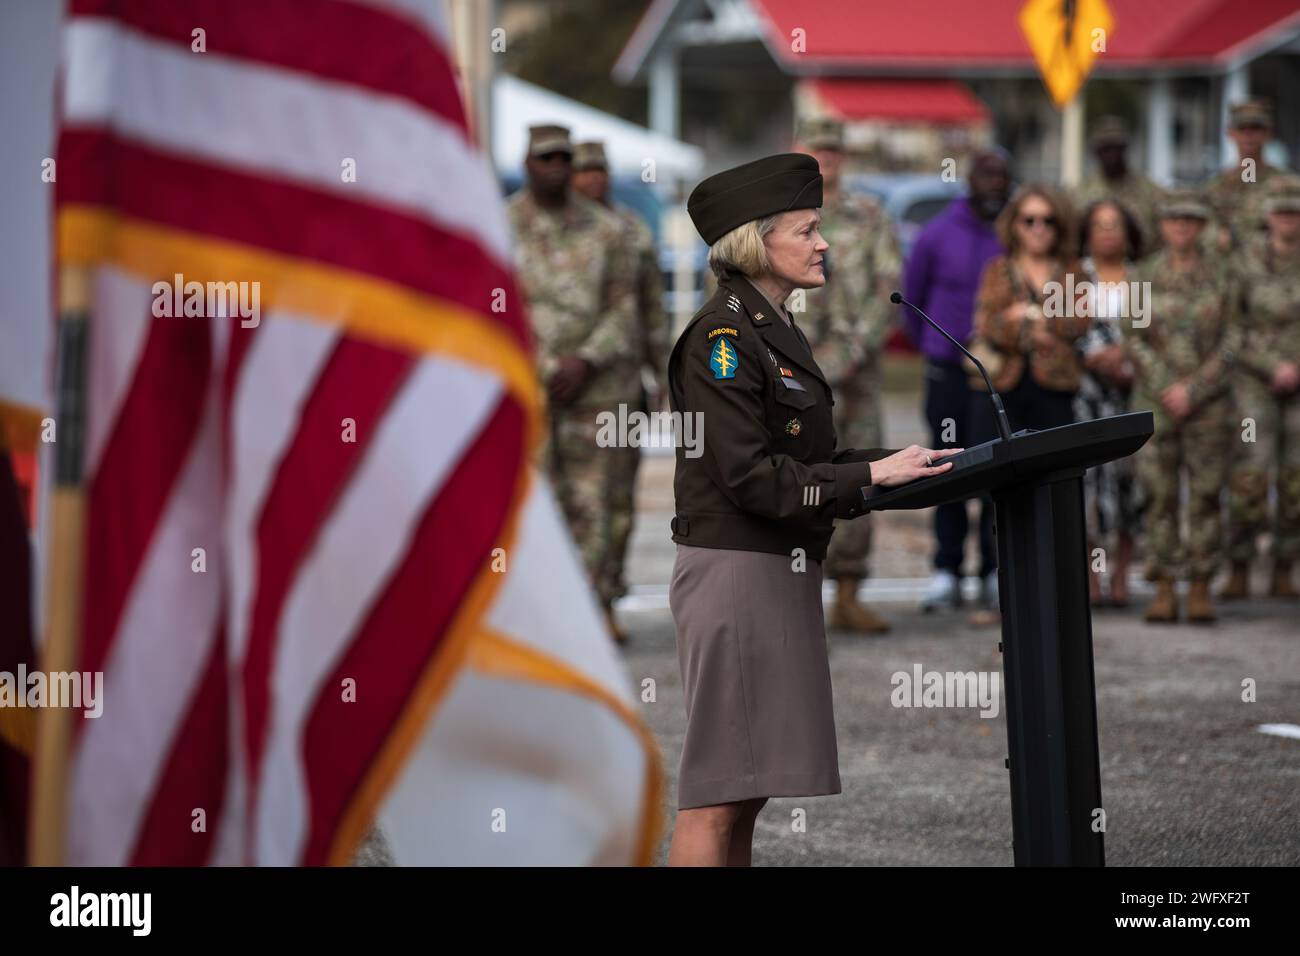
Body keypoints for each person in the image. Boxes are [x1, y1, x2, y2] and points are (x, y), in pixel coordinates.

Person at [666, 153, 961, 866]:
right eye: (807, 229)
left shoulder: (775, 329)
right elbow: (748, 477)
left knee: (749, 787)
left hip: (773, 567)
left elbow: (798, 454)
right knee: (717, 793)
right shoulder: (724, 340)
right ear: (754, 242)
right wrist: (866, 475)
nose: (823, 243)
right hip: (738, 571)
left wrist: (886, 471)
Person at [505, 125, 638, 641]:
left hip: (597, 390)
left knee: (598, 505)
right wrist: (543, 367)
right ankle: (533, 617)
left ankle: (598, 608)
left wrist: (586, 359)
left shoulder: (609, 232)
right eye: (546, 159)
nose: (556, 168)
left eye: (565, 158)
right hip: (527, 390)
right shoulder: (501, 226)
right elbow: (492, 305)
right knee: (530, 505)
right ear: (527, 163)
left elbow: (626, 307)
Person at [792, 117, 903, 634]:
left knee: (862, 472)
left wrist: (854, 348)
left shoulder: (869, 215)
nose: (827, 157)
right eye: (818, 148)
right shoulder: (778, 214)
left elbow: (889, 287)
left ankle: (850, 592)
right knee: (797, 477)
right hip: (792, 370)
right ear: (798, 149)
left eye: (835, 150)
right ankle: (798, 596)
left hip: (857, 373)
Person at [968, 185, 1088, 625]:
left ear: (1060, 226)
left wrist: (1025, 318)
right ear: (1014, 225)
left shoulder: (1074, 271)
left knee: (1055, 485)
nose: (1038, 229)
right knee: (997, 484)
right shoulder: (998, 269)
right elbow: (987, 324)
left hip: (1054, 390)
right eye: (1029, 220)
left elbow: (1077, 322)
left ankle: (1055, 591)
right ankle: (995, 588)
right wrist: (1032, 328)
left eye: (1048, 220)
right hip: (1003, 389)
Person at [1124, 190, 1241, 624]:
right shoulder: (1144, 276)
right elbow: (1133, 338)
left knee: (1206, 495)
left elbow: (1235, 339)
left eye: (1191, 220)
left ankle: (1200, 584)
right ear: (1163, 225)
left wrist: (1194, 388)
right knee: (1159, 495)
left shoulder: (1224, 276)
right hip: (1154, 404)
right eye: (1175, 220)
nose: (1182, 227)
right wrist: (1165, 385)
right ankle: (1165, 584)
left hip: (1208, 405)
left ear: (1203, 226)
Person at [902, 149, 1009, 614]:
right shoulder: (937, 233)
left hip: (996, 372)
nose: (994, 184)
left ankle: (992, 569)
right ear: (969, 180)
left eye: (1001, 177)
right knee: (945, 464)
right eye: (986, 175)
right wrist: (934, 344)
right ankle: (946, 569)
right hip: (945, 368)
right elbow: (912, 300)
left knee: (996, 467)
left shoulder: (1014, 233)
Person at [570, 140, 669, 641]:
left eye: (599, 171)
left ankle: (605, 601)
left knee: (616, 504)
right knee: (561, 503)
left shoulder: (630, 231)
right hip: (559, 392)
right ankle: (566, 610)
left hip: (620, 389)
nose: (592, 180)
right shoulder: (537, 227)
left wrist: (664, 374)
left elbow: (653, 309)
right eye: (583, 171)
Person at [1222, 174, 1300, 600]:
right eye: (1282, 212)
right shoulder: (1245, 263)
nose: (1289, 221)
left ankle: (1285, 565)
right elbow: (1233, 328)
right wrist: (1273, 365)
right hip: (1254, 380)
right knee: (1250, 473)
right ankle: (1239, 562)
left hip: (1299, 384)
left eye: (1295, 213)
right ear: (1268, 216)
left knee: (1295, 479)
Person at [1073, 200, 1143, 606]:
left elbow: (1156, 330)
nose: (1107, 233)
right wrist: (1096, 358)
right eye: (1099, 225)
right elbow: (1066, 329)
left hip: (1134, 391)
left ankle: (1122, 576)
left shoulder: (1144, 278)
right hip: (1086, 395)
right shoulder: (1075, 277)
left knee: (1128, 482)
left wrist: (1126, 359)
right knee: (1090, 484)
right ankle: (1091, 578)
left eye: (1115, 225)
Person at [1203, 98, 1287, 254]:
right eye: (1242, 128)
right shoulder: (1215, 188)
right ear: (1230, 132)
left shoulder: (1288, 186)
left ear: (1268, 133)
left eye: (1256, 128)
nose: (1249, 134)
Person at [1073, 115, 1166, 257]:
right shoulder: (1080, 193)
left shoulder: (1150, 192)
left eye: (1116, 148)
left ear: (1125, 150)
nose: (1112, 155)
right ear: (1096, 153)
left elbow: (1162, 235)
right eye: (1106, 149)